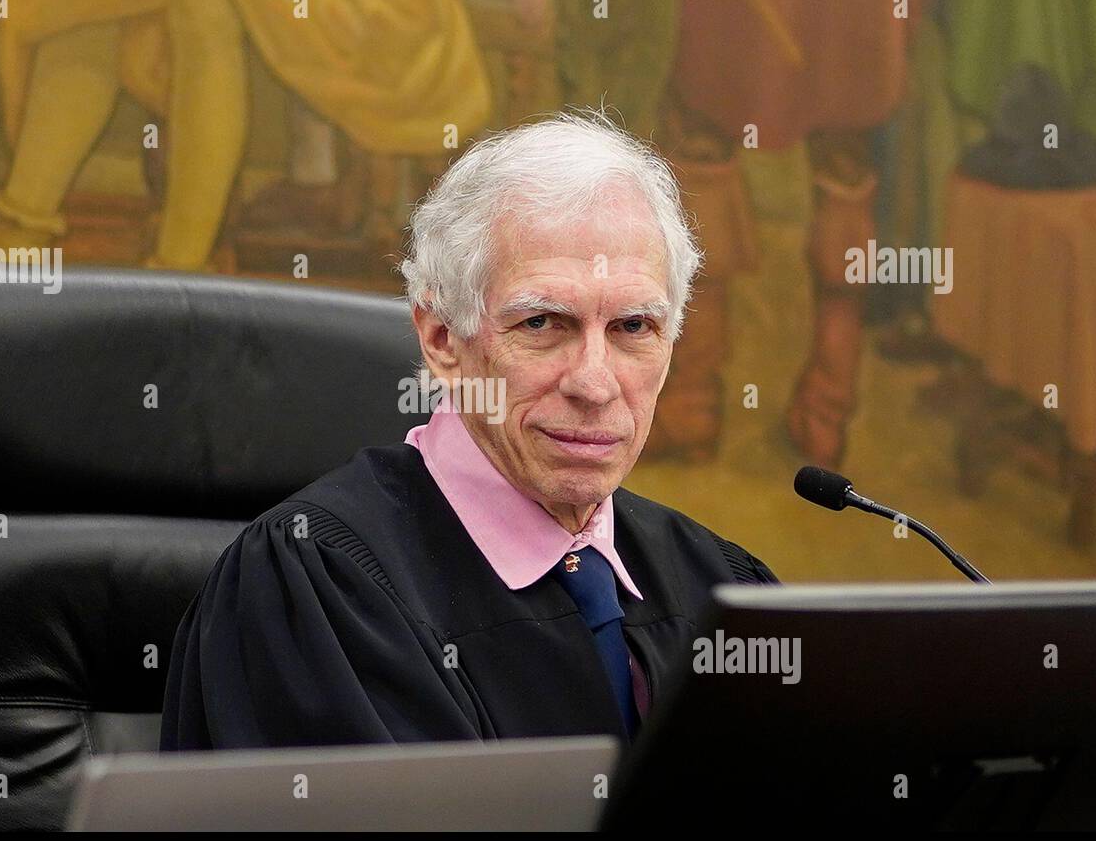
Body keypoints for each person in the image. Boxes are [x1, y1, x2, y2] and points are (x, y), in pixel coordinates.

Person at [160, 110, 777, 751]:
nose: (595, 384)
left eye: (632, 327)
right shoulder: (313, 584)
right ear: (442, 340)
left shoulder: (723, 589)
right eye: (542, 324)